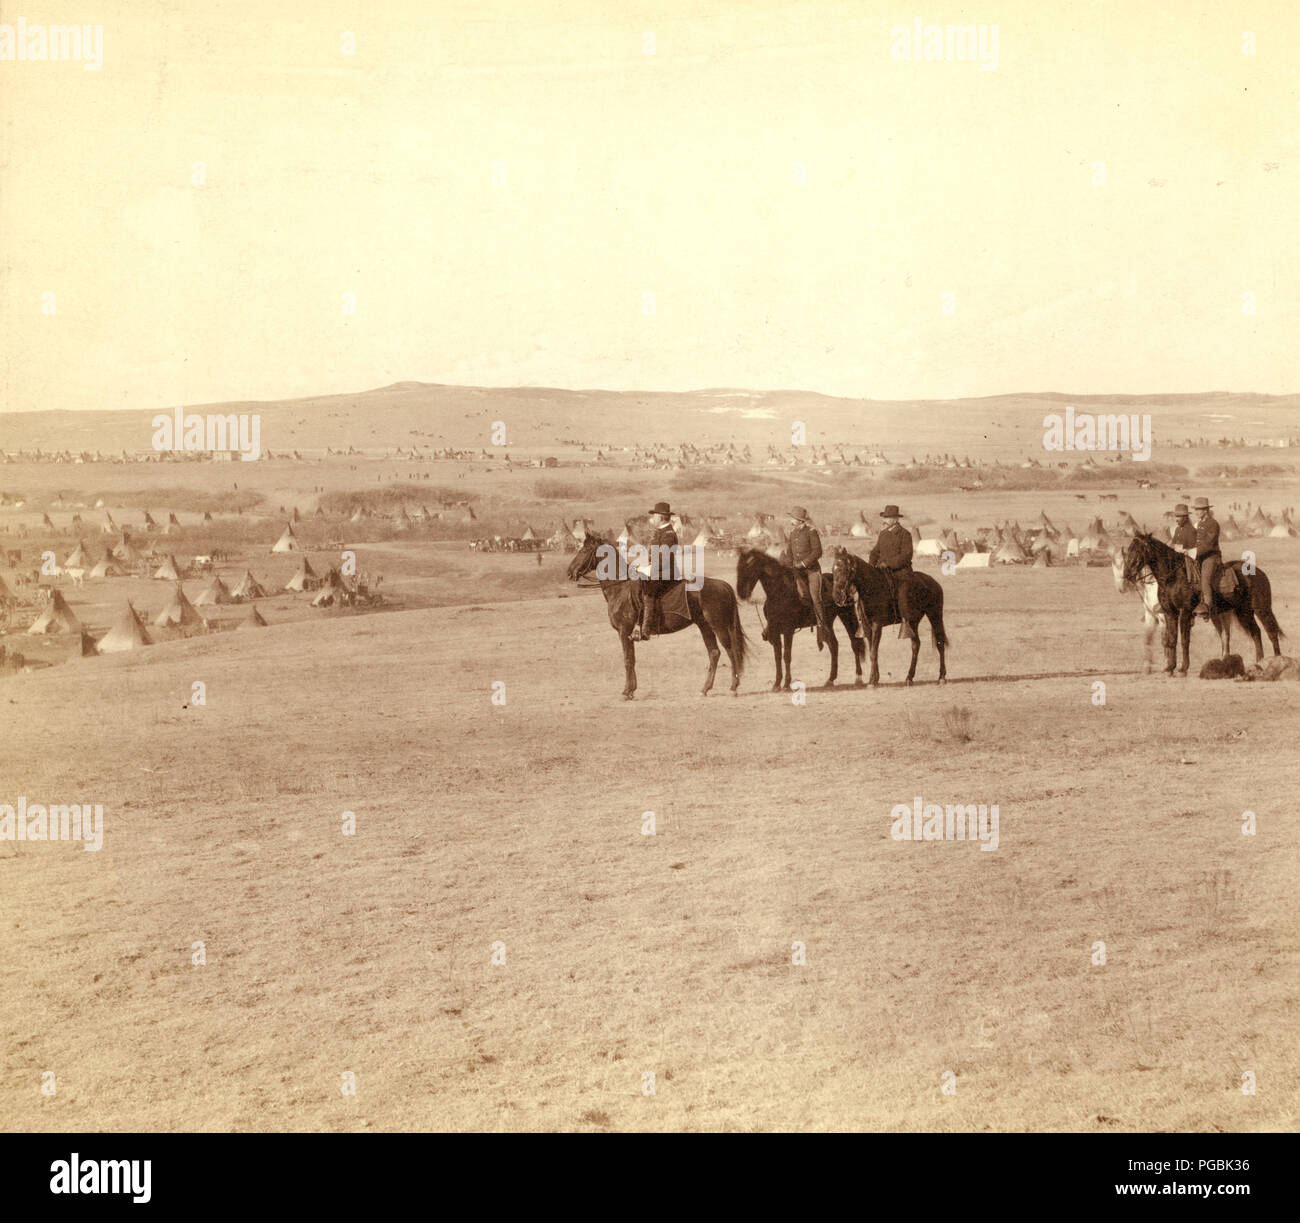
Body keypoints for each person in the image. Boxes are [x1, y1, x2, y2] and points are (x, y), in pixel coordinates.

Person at [869, 504, 917, 640]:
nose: (886, 520)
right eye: (885, 517)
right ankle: (865, 620)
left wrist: (888, 564)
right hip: (883, 571)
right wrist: (871, 566)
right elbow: (875, 552)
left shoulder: (905, 534)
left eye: (889, 517)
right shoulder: (883, 534)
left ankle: (906, 623)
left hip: (901, 572)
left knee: (902, 592)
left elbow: (906, 555)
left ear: (896, 519)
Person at [633, 501, 679, 641]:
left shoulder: (669, 534)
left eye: (655, 515)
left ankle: (646, 629)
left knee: (649, 589)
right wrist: (640, 564)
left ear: (661, 517)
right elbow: (651, 553)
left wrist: (647, 569)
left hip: (665, 572)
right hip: (656, 570)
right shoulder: (659, 532)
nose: (653, 518)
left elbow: (663, 558)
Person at [787, 507, 829, 648]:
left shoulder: (811, 532)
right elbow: (789, 552)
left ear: (799, 520)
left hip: (811, 570)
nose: (790, 520)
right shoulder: (792, 533)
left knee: (815, 597)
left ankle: (821, 627)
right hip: (796, 571)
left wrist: (804, 563)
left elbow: (818, 551)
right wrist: (788, 565)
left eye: (792, 518)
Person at [1188, 496, 1220, 620]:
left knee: (1205, 581)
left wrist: (1193, 552)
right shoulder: (1198, 524)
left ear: (1205, 510)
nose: (1196, 512)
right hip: (1198, 556)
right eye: (1195, 509)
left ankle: (1207, 609)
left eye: (1198, 510)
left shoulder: (1213, 524)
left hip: (1211, 557)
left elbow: (1209, 544)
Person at [1169, 503, 1197, 584]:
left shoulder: (1191, 530)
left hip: (1186, 562)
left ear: (1185, 517)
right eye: (1176, 516)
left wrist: (1184, 551)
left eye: (1179, 516)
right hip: (1175, 559)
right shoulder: (1178, 529)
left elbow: (1193, 550)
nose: (1176, 519)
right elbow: (1173, 544)